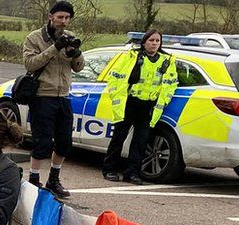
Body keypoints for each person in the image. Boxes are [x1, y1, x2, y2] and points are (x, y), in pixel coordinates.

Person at [22, 1, 85, 199]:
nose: (63, 21)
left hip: (63, 96)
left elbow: (79, 67)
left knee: (64, 142)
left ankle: (54, 179)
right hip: (42, 95)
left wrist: (76, 53)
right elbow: (30, 64)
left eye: (67, 18)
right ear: (50, 17)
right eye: (60, 17)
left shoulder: (70, 36)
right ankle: (34, 180)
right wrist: (54, 48)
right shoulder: (34, 38)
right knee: (42, 142)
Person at [102, 30, 178, 184]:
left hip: (149, 105)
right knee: (119, 137)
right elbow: (115, 78)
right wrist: (117, 97)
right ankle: (109, 169)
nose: (154, 43)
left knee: (141, 141)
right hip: (129, 102)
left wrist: (161, 102)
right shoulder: (132, 56)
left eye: (157, 41)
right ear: (144, 42)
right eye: (151, 40)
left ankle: (132, 173)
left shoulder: (167, 61)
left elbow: (171, 84)